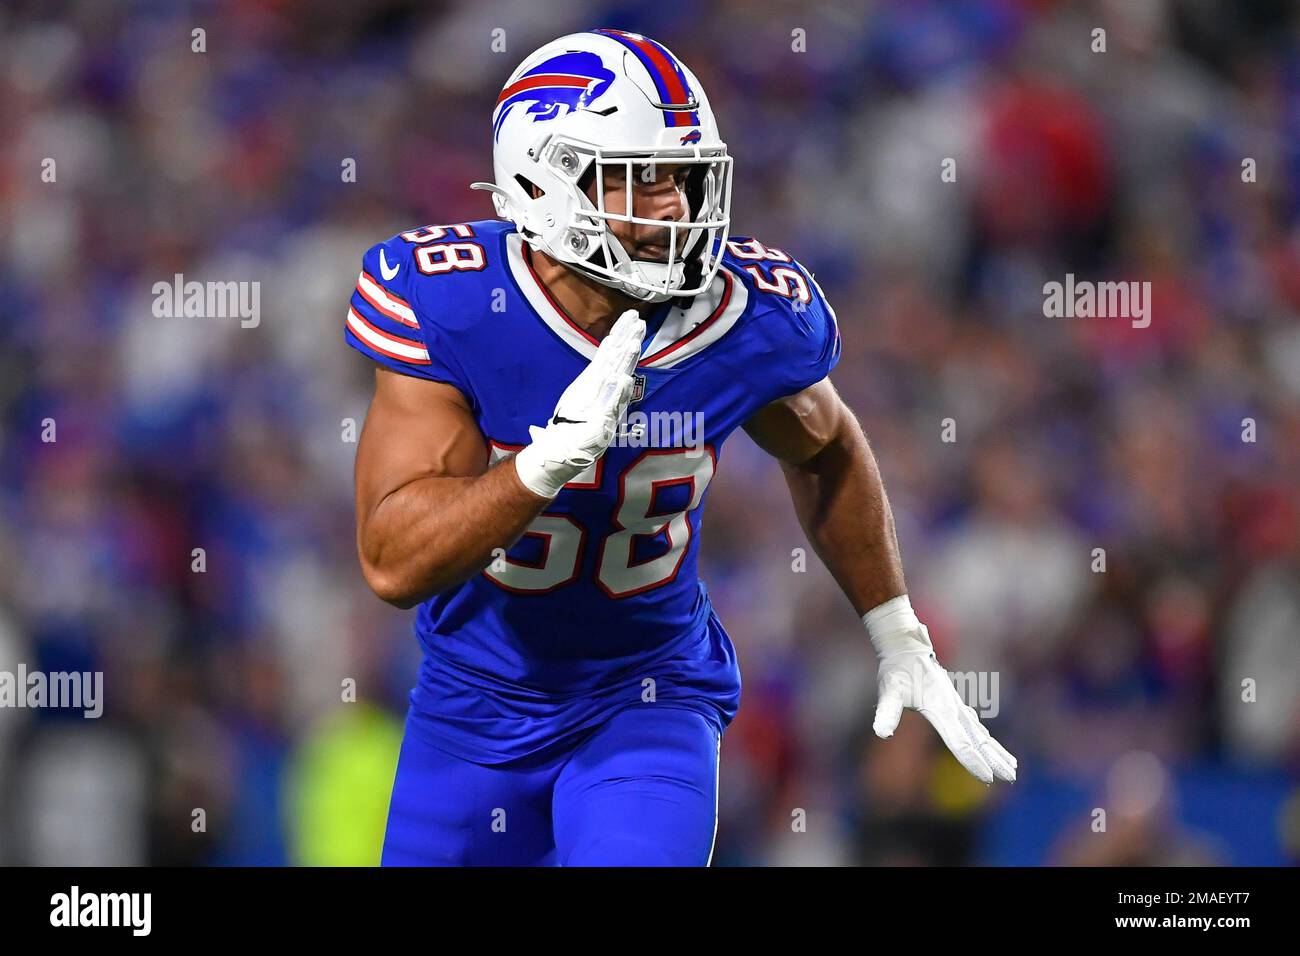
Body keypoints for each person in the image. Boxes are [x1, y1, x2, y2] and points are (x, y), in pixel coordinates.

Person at [344, 29, 1016, 866]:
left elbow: (826, 446)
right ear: (543, 181)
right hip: (471, 706)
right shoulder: (453, 303)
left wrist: (896, 633)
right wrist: (541, 464)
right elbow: (391, 562)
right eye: (642, 178)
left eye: (686, 177)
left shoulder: (742, 316)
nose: (675, 206)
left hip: (647, 695)